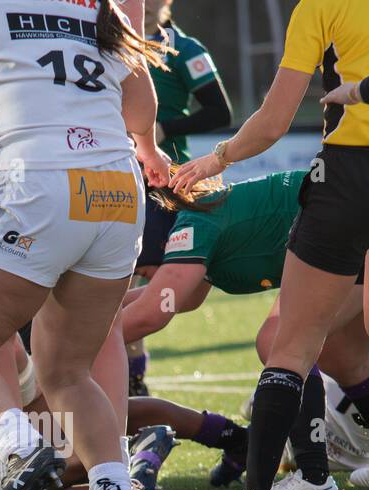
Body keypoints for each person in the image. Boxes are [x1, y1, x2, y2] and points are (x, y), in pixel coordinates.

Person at [171, 0, 369, 490]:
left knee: (286, 343)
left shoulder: (321, 6)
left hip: (351, 177)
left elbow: (273, 122)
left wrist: (216, 159)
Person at [0, 0, 171, 490]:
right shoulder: (98, 12)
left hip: (36, 183)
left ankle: (15, 444)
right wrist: (149, 147)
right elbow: (141, 100)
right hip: (115, 193)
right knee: (68, 372)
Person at [128, 0, 233, 396]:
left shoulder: (186, 50)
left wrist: (163, 129)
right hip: (105, 173)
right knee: (105, 279)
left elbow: (219, 111)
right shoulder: (108, 39)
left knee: (143, 282)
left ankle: (133, 382)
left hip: (160, 181)